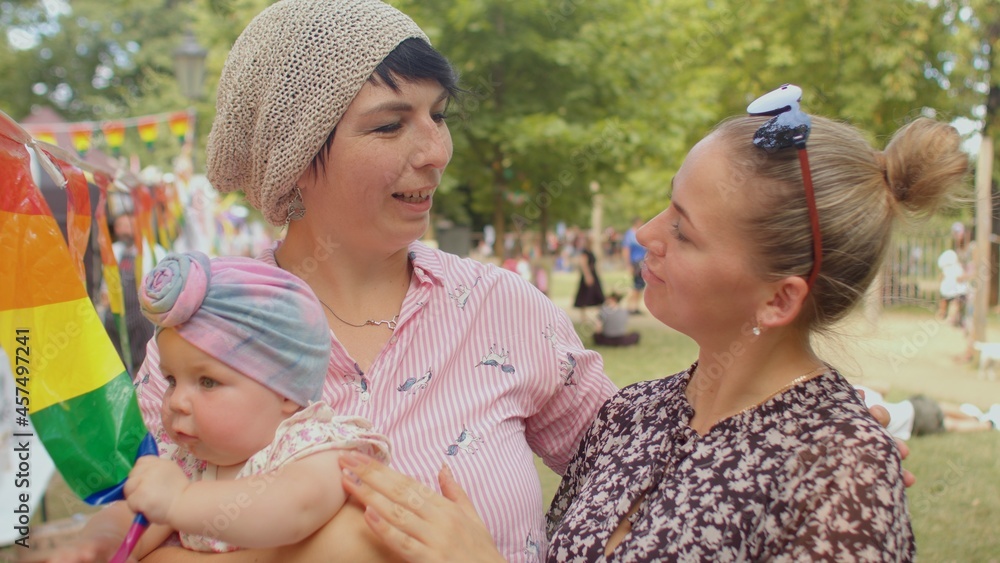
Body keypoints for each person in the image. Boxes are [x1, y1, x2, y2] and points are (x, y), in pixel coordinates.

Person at [336, 86, 965, 561]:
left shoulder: (838, 472)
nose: (644, 236)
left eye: (683, 231)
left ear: (778, 300)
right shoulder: (630, 415)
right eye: (668, 203)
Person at [128, 1, 618, 561]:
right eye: (390, 124)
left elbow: (635, 485)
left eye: (439, 115)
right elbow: (138, 537)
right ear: (295, 159)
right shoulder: (201, 331)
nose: (436, 152)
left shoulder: (504, 309)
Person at [50, 251, 390, 561]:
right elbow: (132, 514)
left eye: (207, 382)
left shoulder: (316, 447)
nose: (177, 402)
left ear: (287, 392)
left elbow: (295, 507)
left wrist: (178, 502)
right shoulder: (185, 461)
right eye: (171, 380)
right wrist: (94, 546)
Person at [102, 213, 158, 376]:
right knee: (117, 361)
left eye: (128, 226)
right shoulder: (114, 250)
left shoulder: (152, 252)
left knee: (144, 362)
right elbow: (106, 284)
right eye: (120, 226)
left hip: (142, 317)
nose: (124, 231)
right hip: (116, 318)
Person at [855, 384, 995, 439]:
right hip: (913, 408)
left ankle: (987, 424)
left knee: (950, 425)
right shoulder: (864, 397)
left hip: (914, 427)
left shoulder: (861, 423)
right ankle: (979, 418)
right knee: (942, 407)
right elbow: (884, 388)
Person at [572, 235, 605, 324]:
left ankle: (599, 316)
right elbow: (583, 264)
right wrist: (587, 275)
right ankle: (583, 317)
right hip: (588, 274)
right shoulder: (584, 252)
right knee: (585, 296)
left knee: (598, 295)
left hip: (594, 274)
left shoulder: (591, 251)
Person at [621, 216, 647, 315]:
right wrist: (628, 265)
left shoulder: (641, 233)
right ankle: (629, 306)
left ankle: (635, 306)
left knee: (640, 285)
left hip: (642, 262)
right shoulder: (630, 234)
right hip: (635, 262)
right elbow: (626, 250)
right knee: (636, 285)